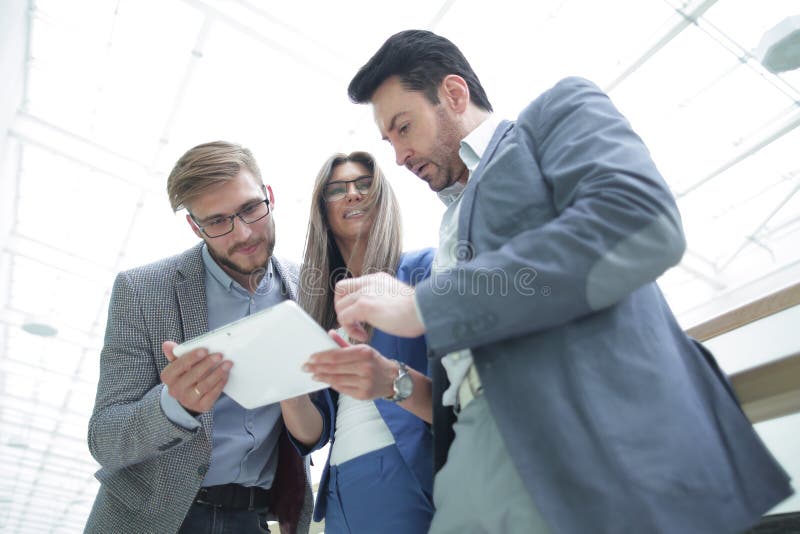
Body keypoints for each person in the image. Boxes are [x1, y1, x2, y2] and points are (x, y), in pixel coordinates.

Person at [332, 29, 794, 534]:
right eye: (389, 139)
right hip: (472, 477)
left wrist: (424, 305)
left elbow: (638, 224)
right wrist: (391, 382)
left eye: (404, 127)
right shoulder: (445, 231)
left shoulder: (552, 116)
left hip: (595, 455)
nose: (398, 156)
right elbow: (469, 390)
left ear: (454, 94)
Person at [85, 141, 327, 534]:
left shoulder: (311, 293)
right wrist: (172, 406)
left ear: (269, 196)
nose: (244, 232)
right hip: (154, 520)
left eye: (251, 208)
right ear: (195, 227)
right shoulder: (142, 292)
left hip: (255, 519)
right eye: (217, 221)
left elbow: (315, 425)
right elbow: (105, 439)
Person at [281, 151, 436, 533]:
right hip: (339, 487)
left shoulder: (421, 270)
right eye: (338, 190)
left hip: (404, 469)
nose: (353, 194)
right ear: (322, 211)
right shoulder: (320, 307)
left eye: (364, 185)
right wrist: (284, 385)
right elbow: (313, 433)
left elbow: (461, 393)